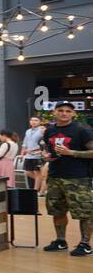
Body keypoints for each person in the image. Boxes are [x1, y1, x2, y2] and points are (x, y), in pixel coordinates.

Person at [39, 102, 93, 257]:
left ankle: (85, 244)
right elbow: (49, 150)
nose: (64, 113)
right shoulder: (50, 131)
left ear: (73, 114)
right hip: (55, 176)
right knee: (57, 210)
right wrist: (47, 156)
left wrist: (72, 153)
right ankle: (61, 241)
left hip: (78, 177)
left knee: (85, 212)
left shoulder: (82, 130)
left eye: (68, 111)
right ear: (54, 112)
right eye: (61, 110)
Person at [21, 115, 47, 191]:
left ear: (40, 122)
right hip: (28, 155)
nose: (33, 122)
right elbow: (25, 142)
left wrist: (33, 150)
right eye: (32, 120)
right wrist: (23, 151)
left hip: (38, 155)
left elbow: (44, 144)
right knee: (27, 172)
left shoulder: (42, 130)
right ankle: (43, 183)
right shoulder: (28, 131)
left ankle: (35, 191)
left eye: (36, 120)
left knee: (37, 173)